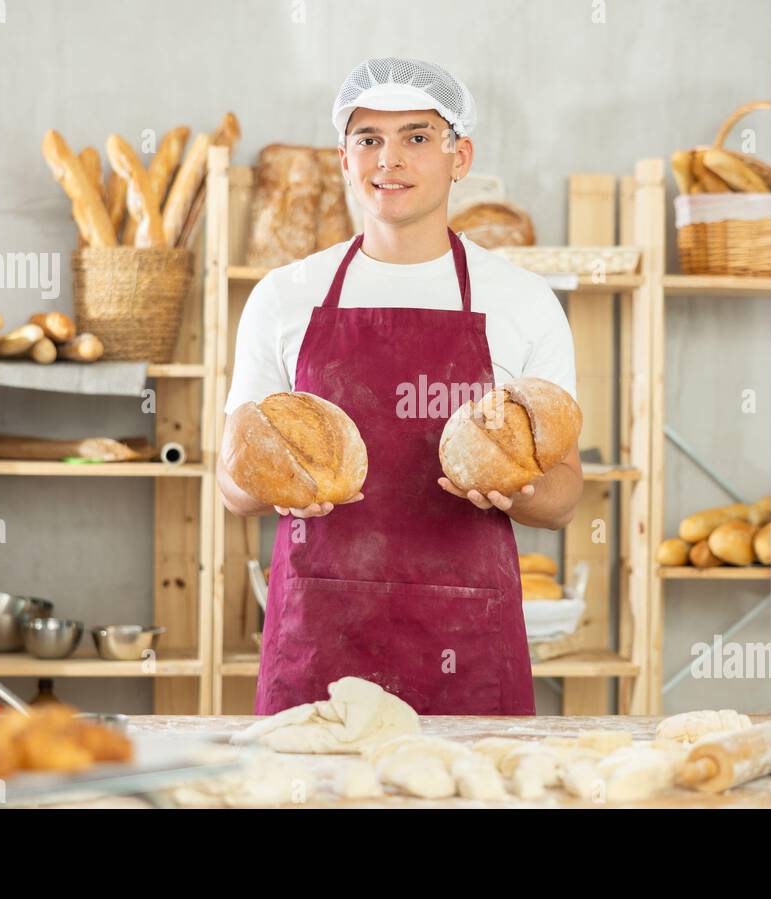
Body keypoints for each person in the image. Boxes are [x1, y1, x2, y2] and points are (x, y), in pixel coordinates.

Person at [218, 57, 582, 715]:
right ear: (344, 158)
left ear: (459, 155)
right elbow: (231, 486)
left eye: (417, 137)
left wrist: (515, 486)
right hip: (320, 641)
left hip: (465, 643)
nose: (390, 159)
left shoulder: (523, 301)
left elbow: (561, 500)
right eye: (369, 139)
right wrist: (277, 481)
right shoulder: (283, 296)